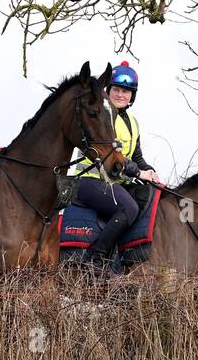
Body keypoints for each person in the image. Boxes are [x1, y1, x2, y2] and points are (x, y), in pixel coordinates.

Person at [69, 61, 161, 276]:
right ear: (108, 91)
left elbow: (136, 157)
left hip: (117, 181)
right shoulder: (102, 115)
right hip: (90, 179)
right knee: (128, 208)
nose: (121, 95)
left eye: (127, 91)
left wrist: (151, 173)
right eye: (117, 89)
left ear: (132, 96)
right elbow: (113, 157)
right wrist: (139, 173)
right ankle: (96, 260)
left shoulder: (133, 122)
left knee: (149, 199)